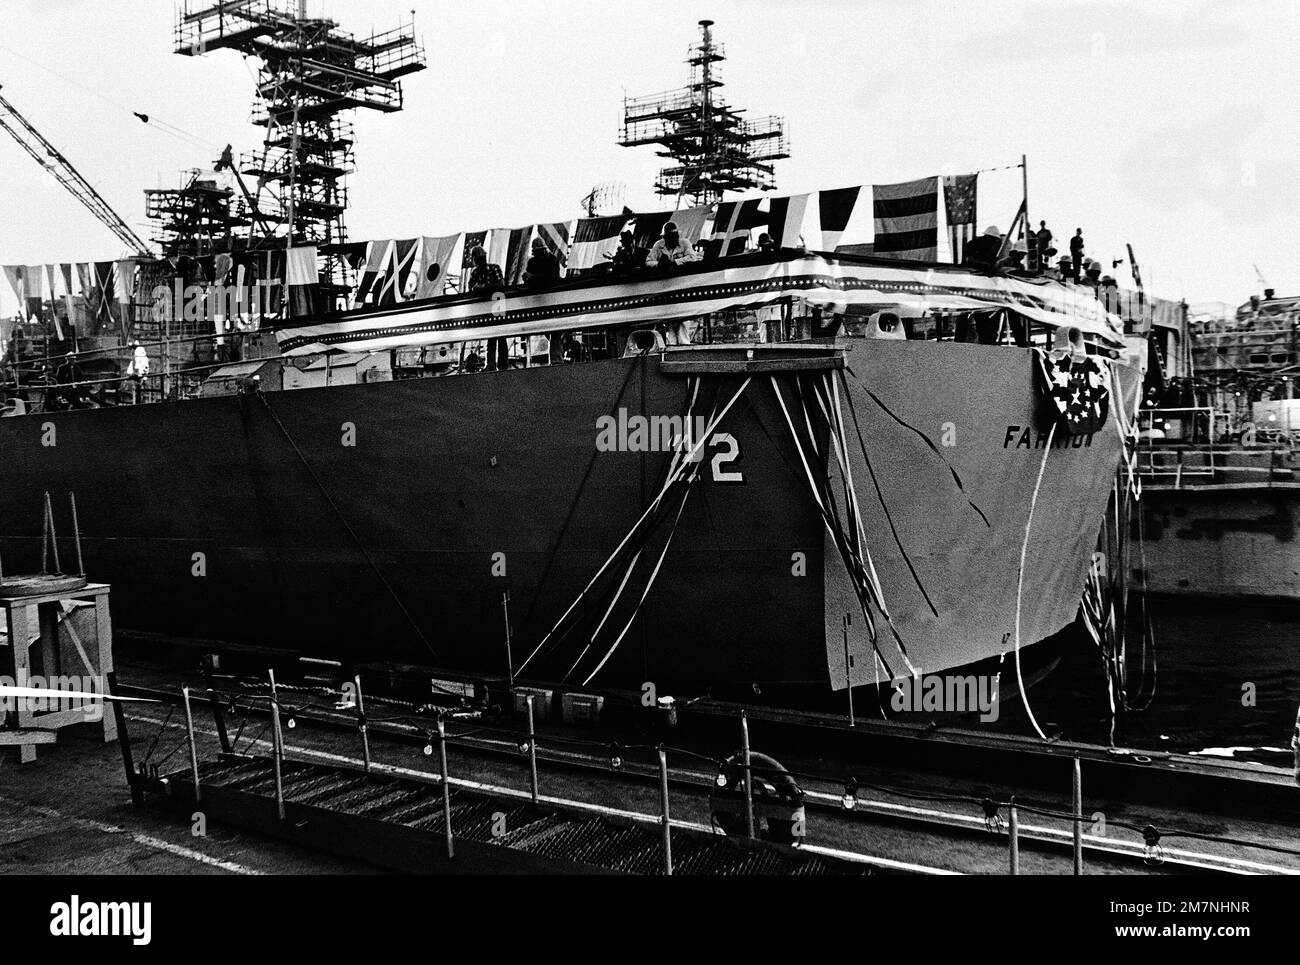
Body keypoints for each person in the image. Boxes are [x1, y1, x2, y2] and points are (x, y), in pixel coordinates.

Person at [466, 245, 509, 371]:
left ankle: (497, 364)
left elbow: (501, 285)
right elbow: (472, 289)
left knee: (498, 335)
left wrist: (482, 287)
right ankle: (496, 364)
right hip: (493, 302)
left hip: (496, 302)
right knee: (495, 335)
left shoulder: (489, 269)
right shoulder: (481, 271)